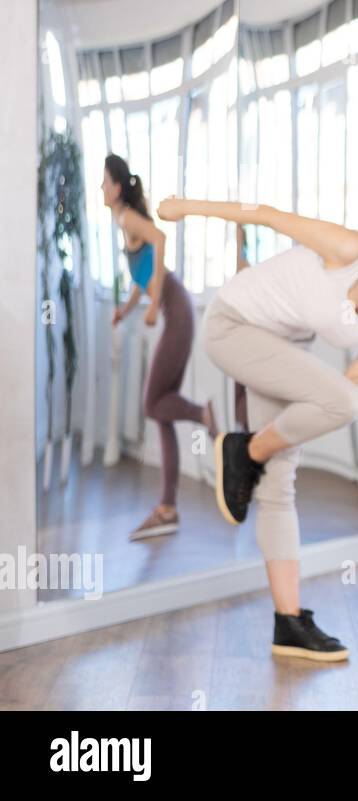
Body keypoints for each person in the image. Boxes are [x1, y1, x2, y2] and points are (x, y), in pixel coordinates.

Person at [158, 186, 358, 661]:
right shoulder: (352, 249)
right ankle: (246, 450)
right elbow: (266, 212)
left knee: (279, 484)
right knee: (320, 418)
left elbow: (348, 386)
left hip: (285, 349)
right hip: (234, 324)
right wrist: (185, 208)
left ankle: (288, 623)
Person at [103, 154, 217, 542]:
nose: (101, 189)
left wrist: (153, 304)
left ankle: (206, 414)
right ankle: (167, 507)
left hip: (176, 308)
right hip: (173, 310)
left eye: (104, 182)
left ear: (117, 188)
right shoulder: (123, 223)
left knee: (153, 403)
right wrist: (129, 307)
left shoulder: (127, 218)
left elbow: (161, 238)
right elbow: (141, 274)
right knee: (161, 408)